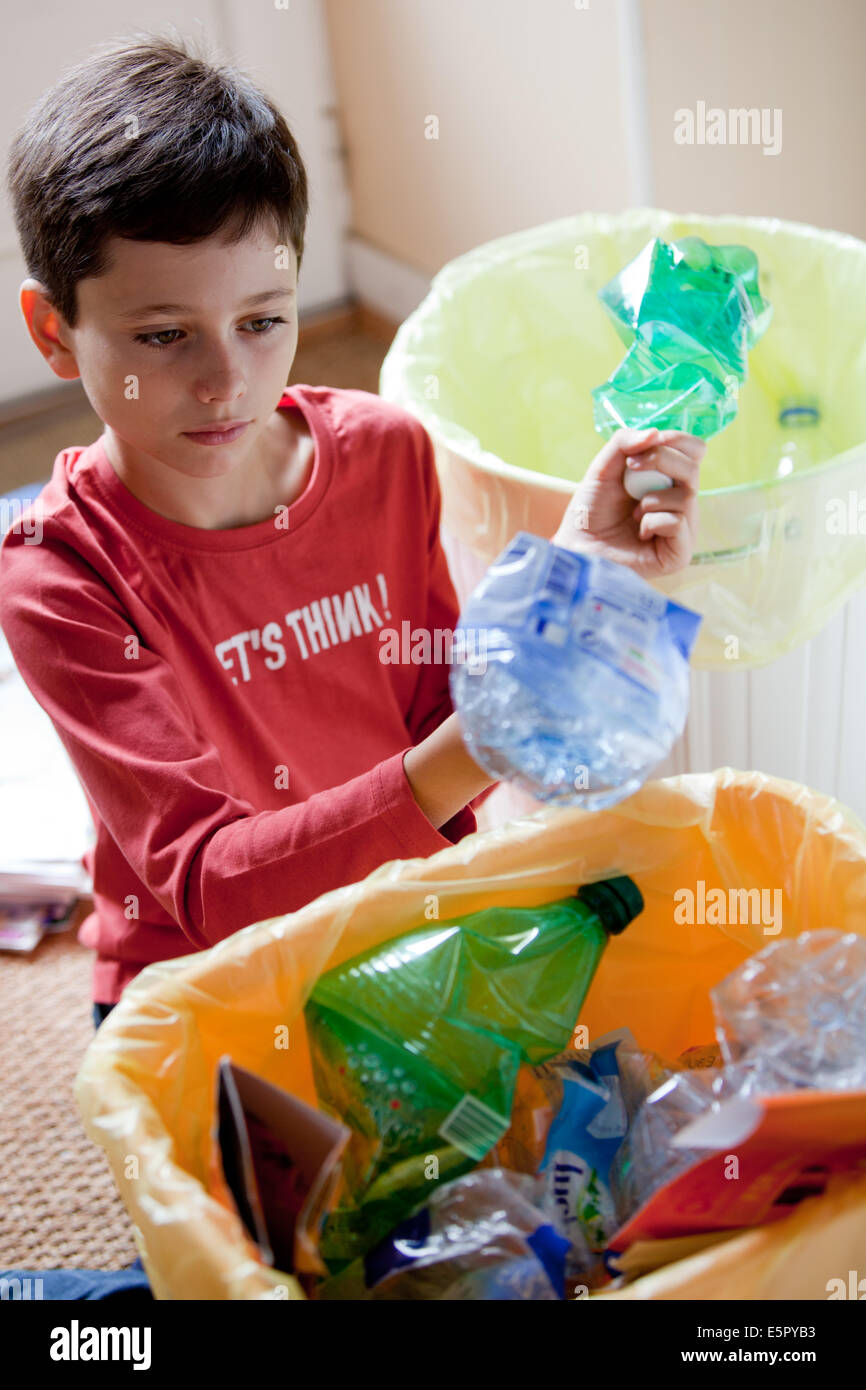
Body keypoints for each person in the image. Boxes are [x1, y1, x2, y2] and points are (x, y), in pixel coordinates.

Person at [0, 29, 704, 1300]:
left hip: (395, 915)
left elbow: (441, 696)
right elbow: (212, 885)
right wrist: (471, 746)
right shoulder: (59, 575)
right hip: (199, 977)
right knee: (270, 1274)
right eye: (164, 336)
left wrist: (575, 579)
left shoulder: (380, 450)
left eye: (265, 321)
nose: (229, 381)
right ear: (56, 331)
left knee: (538, 1207)